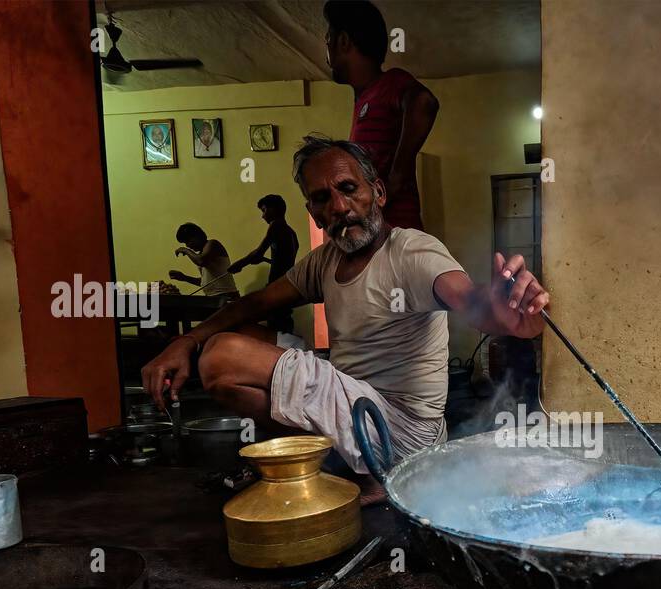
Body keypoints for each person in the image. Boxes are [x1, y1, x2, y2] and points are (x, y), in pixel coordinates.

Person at [140, 136, 547, 504]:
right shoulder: (326, 260)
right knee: (237, 333)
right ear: (313, 213)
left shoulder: (413, 252)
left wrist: (504, 314)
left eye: (349, 189)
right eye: (322, 198)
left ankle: (371, 475)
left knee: (222, 358)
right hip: (354, 403)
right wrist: (184, 341)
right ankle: (336, 462)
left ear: (379, 193)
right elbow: (254, 303)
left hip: (400, 435)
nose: (338, 206)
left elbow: (470, 300)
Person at [324, 0, 438, 231]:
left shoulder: (389, 82)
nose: (326, 52)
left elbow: (425, 103)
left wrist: (396, 177)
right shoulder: (364, 99)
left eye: (328, 40)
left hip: (397, 234)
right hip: (378, 236)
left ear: (343, 41)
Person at [228, 194, 301, 334]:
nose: (263, 216)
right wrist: (265, 260)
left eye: (264, 210)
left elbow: (257, 253)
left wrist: (240, 264)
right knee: (283, 322)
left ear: (273, 209)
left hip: (277, 284)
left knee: (276, 326)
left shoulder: (276, 225)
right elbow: (284, 260)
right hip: (287, 283)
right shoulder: (291, 232)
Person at [169, 224, 239, 299]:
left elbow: (201, 261)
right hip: (214, 298)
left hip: (226, 296)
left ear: (197, 236)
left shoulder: (212, 244)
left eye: (188, 241)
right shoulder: (201, 254)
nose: (187, 245)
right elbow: (207, 283)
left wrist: (184, 250)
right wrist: (184, 278)